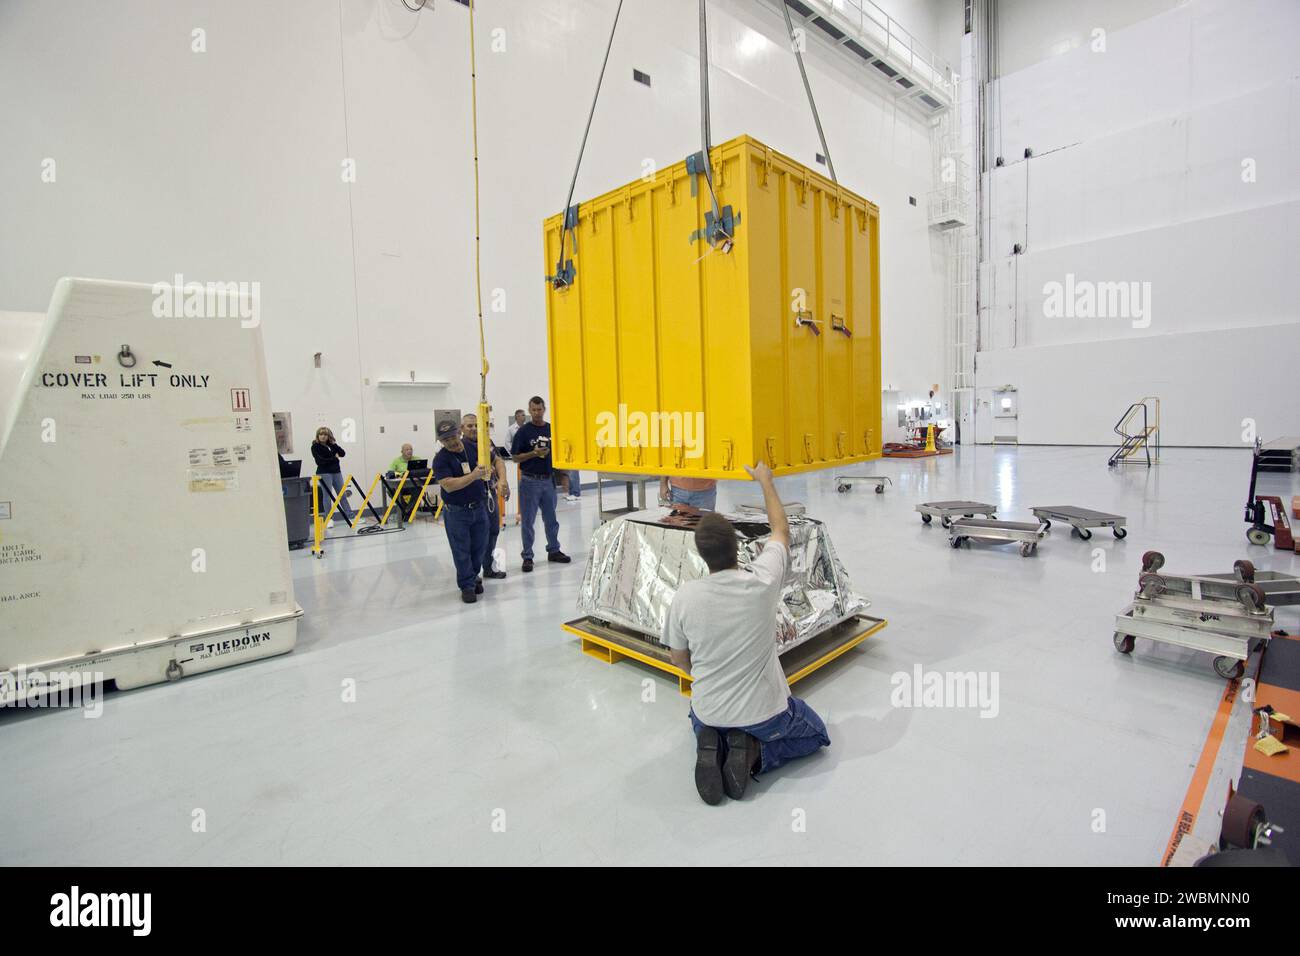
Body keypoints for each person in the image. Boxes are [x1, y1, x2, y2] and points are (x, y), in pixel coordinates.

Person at [663, 461, 830, 805]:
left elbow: (677, 658)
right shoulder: (762, 581)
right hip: (765, 714)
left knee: (704, 714)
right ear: (736, 548)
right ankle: (755, 754)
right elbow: (780, 531)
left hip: (707, 708)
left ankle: (711, 740)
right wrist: (765, 481)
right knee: (817, 735)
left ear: (702, 554)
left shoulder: (685, 597)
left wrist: (703, 675)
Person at [432, 420, 492, 604]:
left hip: (479, 507)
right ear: (441, 441)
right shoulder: (441, 459)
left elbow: (492, 460)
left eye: (452, 436)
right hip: (457, 512)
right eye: (445, 439)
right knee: (461, 550)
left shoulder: (472, 448)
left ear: (459, 432)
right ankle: (466, 585)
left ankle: (473, 576)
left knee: (479, 547)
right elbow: (449, 486)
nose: (451, 441)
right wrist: (473, 476)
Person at [510, 396, 571, 572]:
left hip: (548, 481)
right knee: (528, 521)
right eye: (533, 410)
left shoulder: (552, 429)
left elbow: (558, 455)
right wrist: (533, 453)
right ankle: (527, 556)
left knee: (551, 519)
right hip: (529, 481)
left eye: (540, 409)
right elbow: (515, 457)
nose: (537, 413)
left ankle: (554, 550)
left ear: (544, 409)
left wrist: (562, 475)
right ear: (529, 411)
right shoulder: (523, 432)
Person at [461, 412, 509, 580]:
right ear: (462, 429)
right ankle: (472, 574)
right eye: (469, 426)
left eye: (476, 425)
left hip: (489, 495)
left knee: (493, 531)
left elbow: (498, 461)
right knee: (475, 537)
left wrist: (502, 480)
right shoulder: (460, 448)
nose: (474, 429)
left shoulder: (486, 442)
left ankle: (488, 567)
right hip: (471, 500)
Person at [311, 426, 355, 524]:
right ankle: (329, 518)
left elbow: (342, 453)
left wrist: (334, 444)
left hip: (336, 472)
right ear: (318, 436)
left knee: (342, 494)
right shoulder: (315, 446)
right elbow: (320, 461)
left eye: (325, 434)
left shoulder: (331, 445)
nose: (323, 436)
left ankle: (350, 516)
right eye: (321, 434)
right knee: (327, 496)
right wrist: (334, 459)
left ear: (329, 436)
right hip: (324, 473)